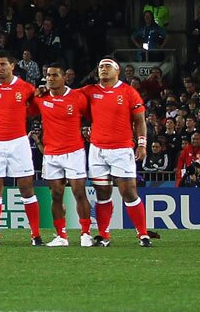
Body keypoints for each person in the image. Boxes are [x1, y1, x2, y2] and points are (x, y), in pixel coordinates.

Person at [84, 58, 153, 248]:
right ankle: (103, 235)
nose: (103, 69)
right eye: (100, 67)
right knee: (102, 192)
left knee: (128, 192)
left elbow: (140, 121)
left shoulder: (129, 92)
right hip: (97, 150)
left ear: (118, 72)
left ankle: (143, 234)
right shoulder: (90, 91)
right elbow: (69, 100)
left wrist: (142, 144)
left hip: (122, 149)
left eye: (107, 66)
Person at [0, 54, 42, 246]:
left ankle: (35, 234)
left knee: (26, 187)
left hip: (18, 142)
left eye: (2, 64)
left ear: (12, 65)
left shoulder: (25, 87)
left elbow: (35, 109)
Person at [35, 65, 90, 246]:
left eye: (55, 75)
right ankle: (61, 236)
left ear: (64, 77)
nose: (50, 79)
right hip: (51, 153)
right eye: (48, 75)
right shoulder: (41, 98)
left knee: (79, 192)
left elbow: (91, 116)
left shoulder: (78, 98)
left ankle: (85, 233)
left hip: (74, 151)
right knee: (56, 196)